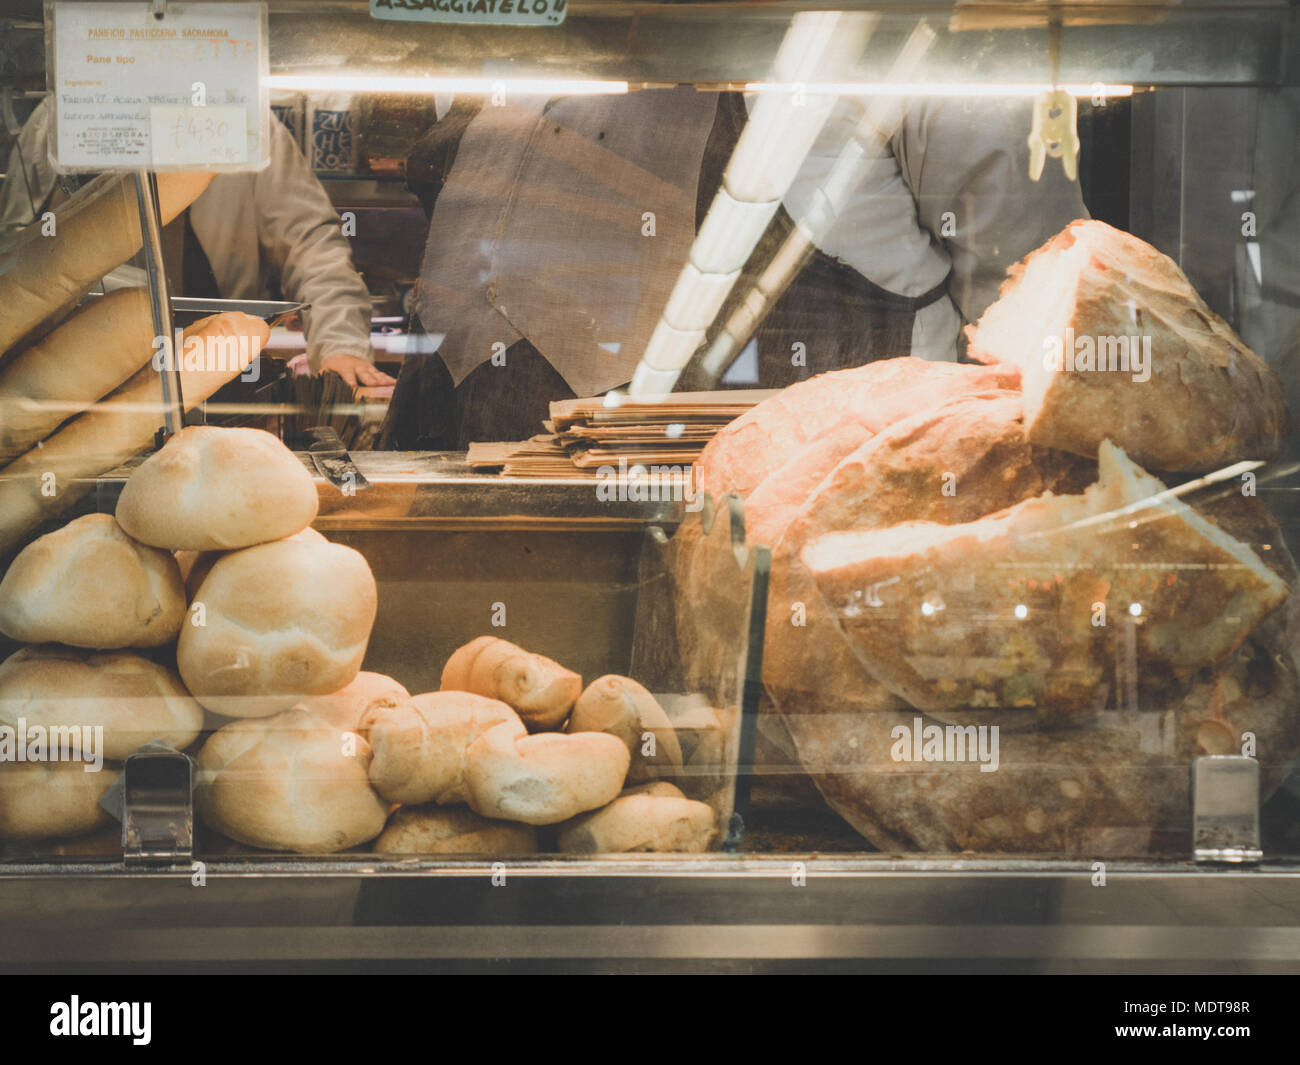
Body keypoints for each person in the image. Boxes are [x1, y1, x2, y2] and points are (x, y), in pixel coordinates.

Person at [380, 88, 1086, 450]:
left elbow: (1033, 306)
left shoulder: (897, 54)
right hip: (467, 518)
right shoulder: (533, 45)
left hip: (787, 561)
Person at [1, 96, 392, 388]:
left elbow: (311, 245)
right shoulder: (62, 116)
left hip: (223, 371)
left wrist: (339, 344)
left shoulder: (243, 120)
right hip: (69, 377)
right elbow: (17, 254)